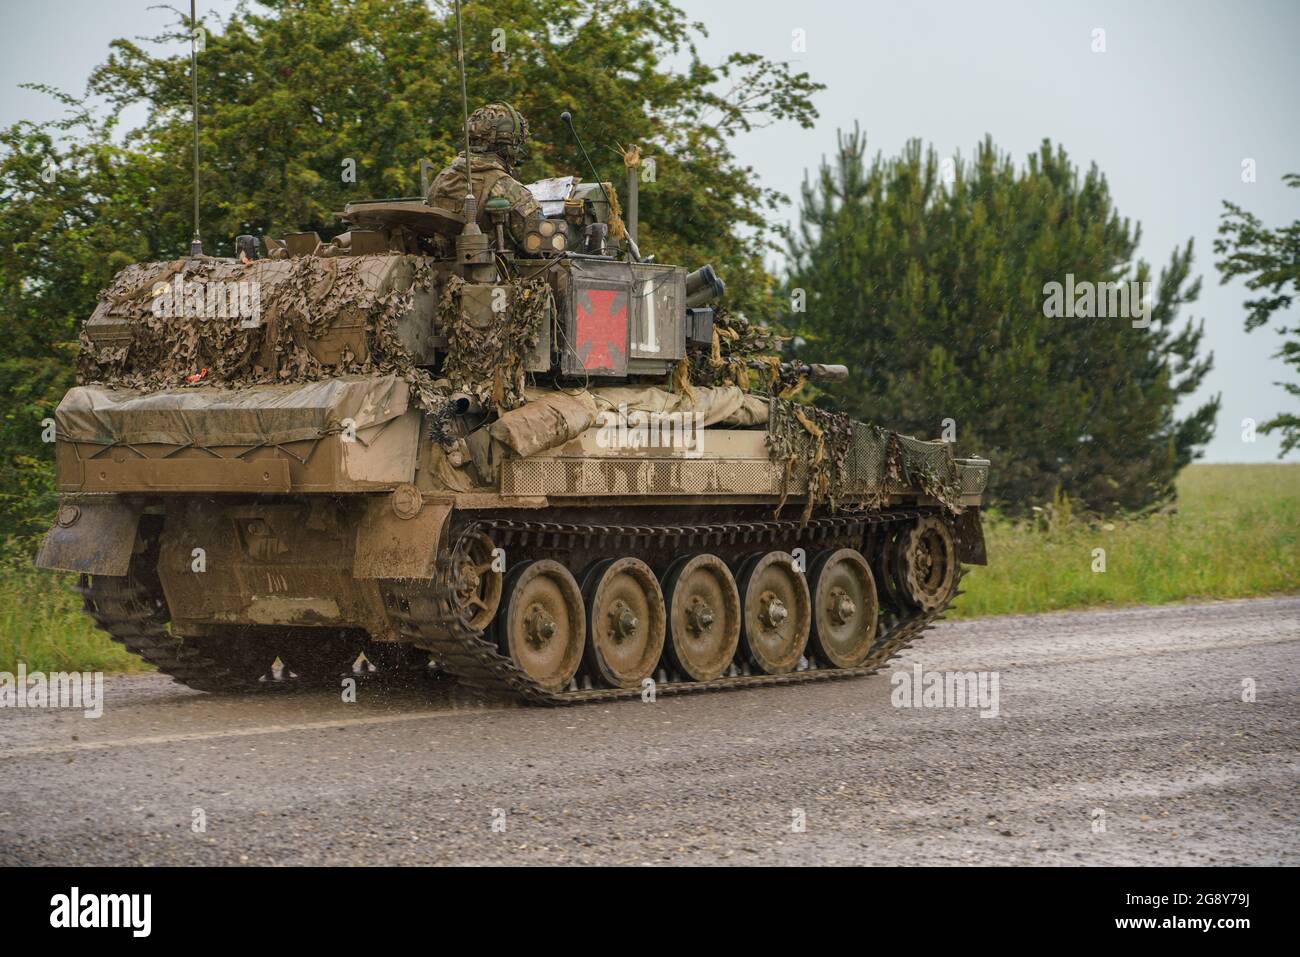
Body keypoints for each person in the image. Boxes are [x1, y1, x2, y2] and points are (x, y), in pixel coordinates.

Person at [426, 102, 543, 249]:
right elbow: (541, 244)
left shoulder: (441, 179)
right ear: (510, 145)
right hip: (497, 270)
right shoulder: (509, 189)